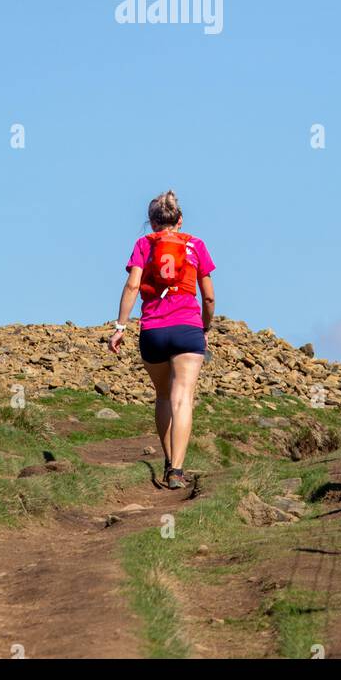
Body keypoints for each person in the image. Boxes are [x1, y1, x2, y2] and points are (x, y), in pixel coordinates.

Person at [108, 190, 215, 489]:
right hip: (187, 330)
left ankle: (168, 460)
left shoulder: (144, 245)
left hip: (153, 331)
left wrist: (120, 327)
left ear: (153, 222)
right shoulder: (197, 245)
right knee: (183, 399)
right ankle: (177, 472)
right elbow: (208, 296)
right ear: (179, 221)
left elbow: (132, 286)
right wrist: (204, 329)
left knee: (164, 396)